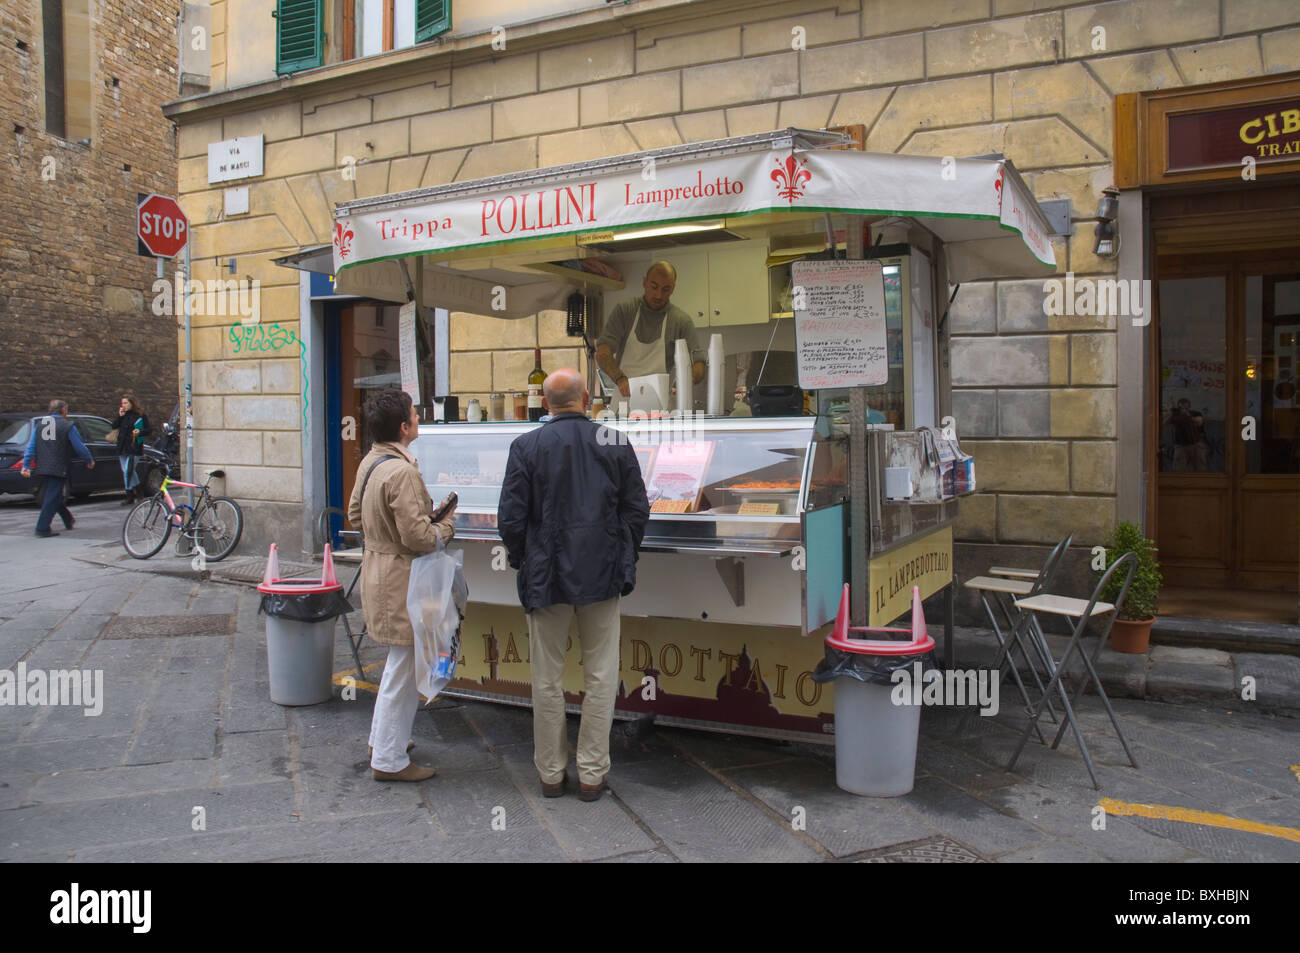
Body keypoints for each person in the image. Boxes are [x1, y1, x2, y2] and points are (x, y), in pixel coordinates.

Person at [497, 368, 649, 801]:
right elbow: (636, 511)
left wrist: (524, 560)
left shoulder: (525, 445)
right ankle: (591, 774)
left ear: (545, 404)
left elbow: (510, 517)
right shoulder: (614, 442)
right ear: (586, 397)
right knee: (601, 674)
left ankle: (550, 774)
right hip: (601, 574)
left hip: (545, 577)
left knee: (545, 678)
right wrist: (622, 556)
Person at [347, 389, 457, 782]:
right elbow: (420, 539)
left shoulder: (371, 462)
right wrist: (446, 524)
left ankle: (384, 742)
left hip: (377, 570)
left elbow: (355, 516)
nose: (418, 417)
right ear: (403, 426)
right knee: (404, 669)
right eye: (414, 413)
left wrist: (387, 532)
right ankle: (390, 761)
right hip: (403, 580)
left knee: (399, 664)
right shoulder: (404, 472)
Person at [596, 261, 706, 399]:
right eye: (654, 287)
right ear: (644, 282)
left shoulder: (681, 321)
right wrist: (619, 378)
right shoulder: (625, 311)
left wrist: (685, 380)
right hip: (624, 402)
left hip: (659, 406)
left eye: (666, 289)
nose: (658, 295)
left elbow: (699, 364)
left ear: (673, 289)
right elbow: (602, 353)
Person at [20, 399, 94, 538]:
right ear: (63, 410)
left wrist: (26, 464)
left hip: (43, 465)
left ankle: (68, 519)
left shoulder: (40, 424)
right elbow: (79, 447)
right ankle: (42, 528)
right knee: (52, 496)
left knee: (55, 495)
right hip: (59, 465)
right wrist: (88, 459)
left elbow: (31, 446)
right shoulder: (67, 426)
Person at [112, 393, 150, 505]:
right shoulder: (124, 415)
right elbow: (114, 426)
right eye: (122, 403)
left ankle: (135, 494)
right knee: (126, 471)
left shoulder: (140, 416)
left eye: (125, 403)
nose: (123, 405)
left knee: (128, 470)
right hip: (122, 447)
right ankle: (133, 494)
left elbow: (148, 429)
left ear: (132, 403)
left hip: (134, 447)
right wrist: (120, 416)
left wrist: (140, 432)